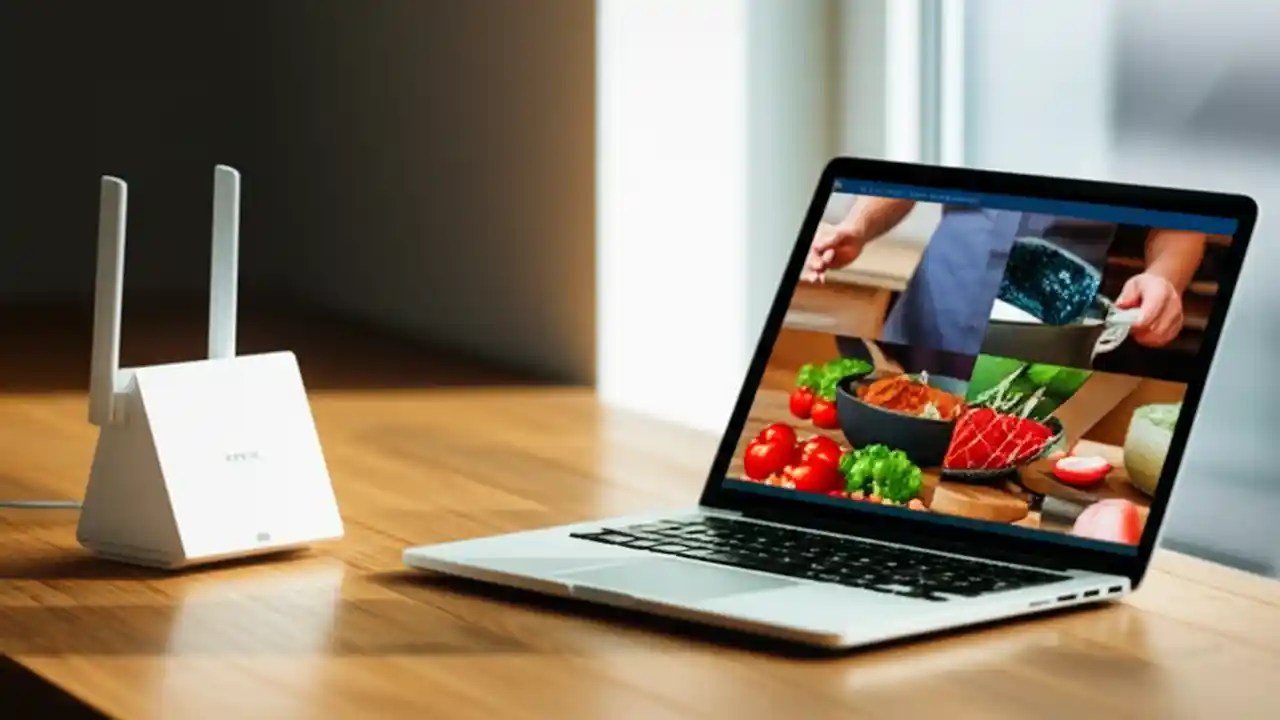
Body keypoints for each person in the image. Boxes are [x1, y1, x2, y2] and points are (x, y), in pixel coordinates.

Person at [803, 197, 1206, 359]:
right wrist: (856, 226)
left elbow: (1183, 220)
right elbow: (911, 165)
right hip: (937, 307)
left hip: (1049, 337)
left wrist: (1164, 278)